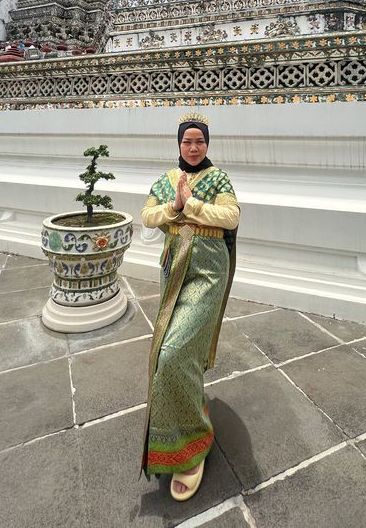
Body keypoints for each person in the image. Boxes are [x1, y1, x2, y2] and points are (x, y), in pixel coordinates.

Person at [140, 114, 240, 501]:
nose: (194, 147)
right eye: (187, 142)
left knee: (174, 351)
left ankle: (193, 442)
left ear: (207, 145)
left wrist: (189, 204)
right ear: (179, 145)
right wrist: (172, 206)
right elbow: (149, 216)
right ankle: (188, 412)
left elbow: (231, 216)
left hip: (207, 275)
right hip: (173, 268)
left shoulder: (218, 178)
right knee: (177, 353)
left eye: (199, 141)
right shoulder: (166, 180)